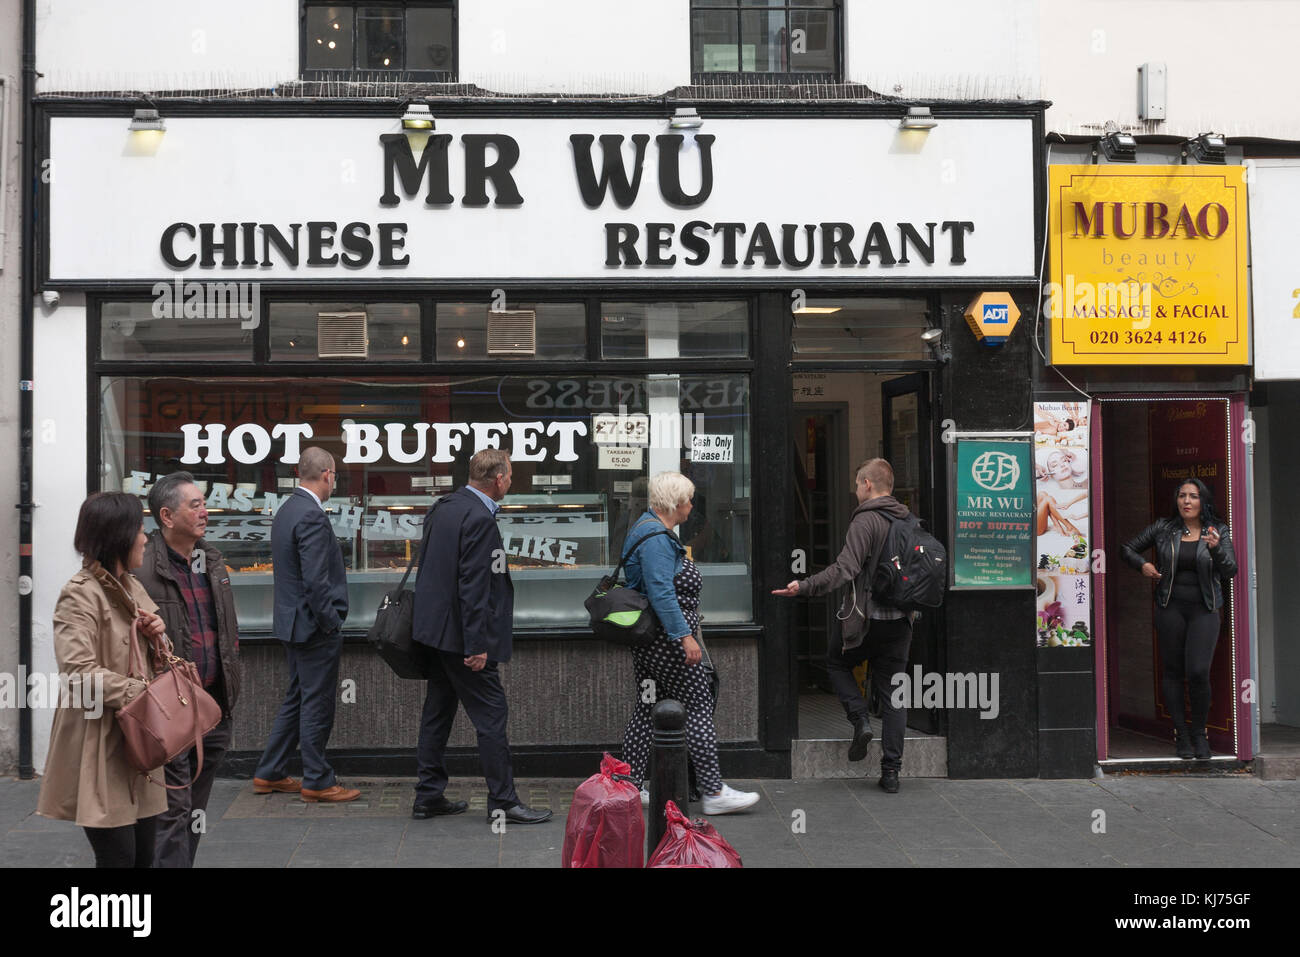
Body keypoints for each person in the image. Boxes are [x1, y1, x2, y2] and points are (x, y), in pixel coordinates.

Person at [411, 449, 551, 825]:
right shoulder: (479, 519)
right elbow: (473, 588)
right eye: (510, 477)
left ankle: (428, 795)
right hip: (462, 638)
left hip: (436, 633)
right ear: (499, 479)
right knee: (491, 716)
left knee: (437, 712)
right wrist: (477, 646)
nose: (510, 482)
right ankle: (503, 801)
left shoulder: (444, 506)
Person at [37, 492, 170, 866]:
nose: (146, 538)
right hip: (101, 742)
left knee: (144, 855)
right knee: (118, 858)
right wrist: (142, 694)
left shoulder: (131, 587)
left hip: (140, 739)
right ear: (119, 535)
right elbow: (78, 672)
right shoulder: (79, 595)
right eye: (140, 530)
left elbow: (156, 661)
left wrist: (159, 636)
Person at [621, 470, 759, 815]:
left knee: (646, 707)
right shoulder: (655, 537)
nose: (692, 505)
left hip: (651, 641)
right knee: (697, 705)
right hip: (666, 642)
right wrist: (684, 636)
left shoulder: (647, 529)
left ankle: (632, 786)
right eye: (689, 499)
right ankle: (713, 792)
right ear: (675, 502)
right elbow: (661, 591)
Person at [773, 458, 914, 793]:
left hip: (866, 619)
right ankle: (891, 772)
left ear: (867, 484)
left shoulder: (865, 521)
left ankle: (859, 718)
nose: (855, 491)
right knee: (894, 694)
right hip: (900, 622)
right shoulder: (909, 520)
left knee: (836, 662)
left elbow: (844, 570)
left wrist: (804, 586)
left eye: (856, 484)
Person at [135, 471, 241, 867]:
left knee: (194, 811)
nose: (204, 511)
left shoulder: (211, 560)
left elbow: (222, 627)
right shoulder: (142, 567)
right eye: (194, 504)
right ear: (166, 515)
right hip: (168, 709)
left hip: (213, 706)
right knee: (173, 809)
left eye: (204, 503)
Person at [253, 447, 358, 802]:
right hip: (313, 627)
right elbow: (316, 582)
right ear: (327, 474)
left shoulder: (286, 510)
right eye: (335, 476)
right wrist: (330, 623)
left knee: (297, 697)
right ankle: (316, 779)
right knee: (316, 702)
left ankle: (270, 772)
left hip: (291, 624)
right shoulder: (312, 515)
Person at [1122, 478, 1237, 760]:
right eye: (1182, 496)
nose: (1186, 501)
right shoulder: (1164, 528)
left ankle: (1199, 733)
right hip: (1169, 607)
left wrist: (1216, 549)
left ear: (1203, 501)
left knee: (1198, 671)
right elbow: (1127, 548)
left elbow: (1231, 570)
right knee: (1173, 671)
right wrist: (1143, 565)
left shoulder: (1217, 530)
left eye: (1193, 496)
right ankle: (1181, 736)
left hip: (1204, 610)